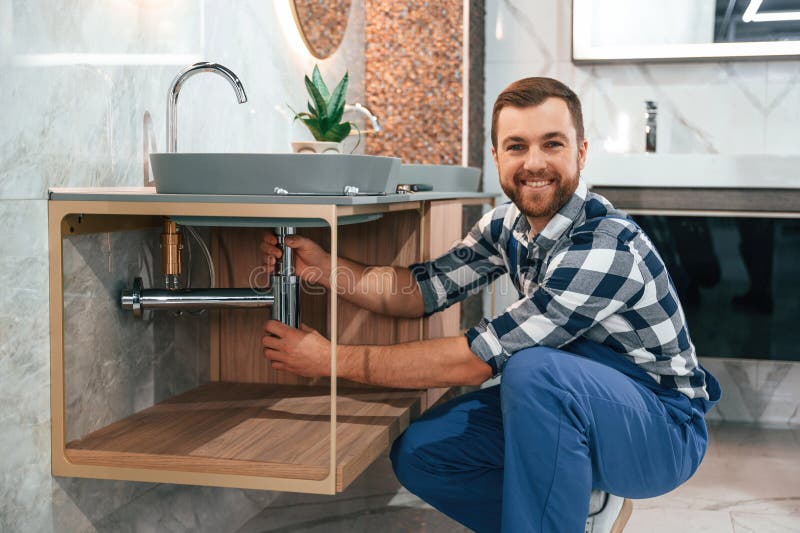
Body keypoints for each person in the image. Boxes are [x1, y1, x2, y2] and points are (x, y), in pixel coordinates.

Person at [260, 77, 721, 533]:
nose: (533, 162)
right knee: (423, 453)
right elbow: (423, 289)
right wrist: (325, 268)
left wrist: (328, 360)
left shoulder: (603, 248)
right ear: (497, 156)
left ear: (581, 152)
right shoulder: (506, 226)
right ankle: (582, 514)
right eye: (517, 146)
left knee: (533, 371)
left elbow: (473, 361)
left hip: (661, 428)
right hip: (573, 400)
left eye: (552, 144)